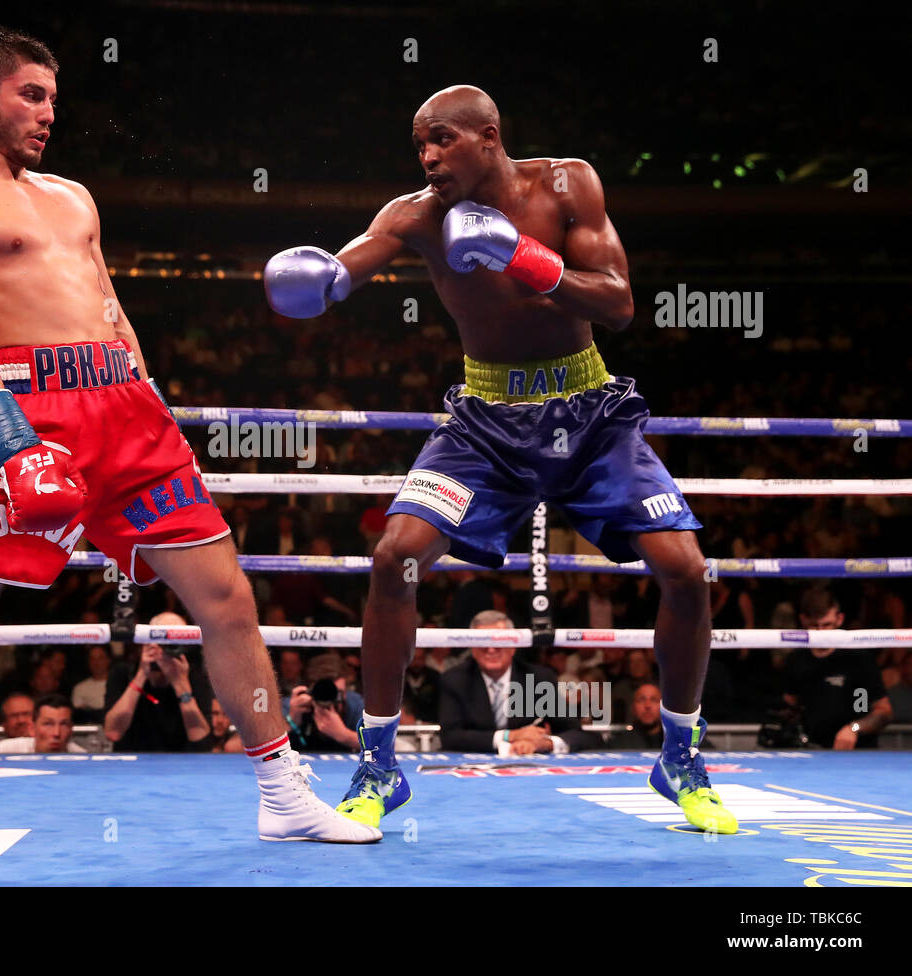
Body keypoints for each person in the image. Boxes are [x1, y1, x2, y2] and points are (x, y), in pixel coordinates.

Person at [0, 28, 374, 869]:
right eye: (31, 95)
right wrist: (12, 444)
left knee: (227, 601)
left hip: (126, 410)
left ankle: (284, 796)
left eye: (53, 95)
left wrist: (153, 407)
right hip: (28, 409)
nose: (50, 112)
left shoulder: (74, 196)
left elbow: (113, 310)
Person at [265, 85, 735, 834]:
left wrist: (523, 258)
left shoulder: (567, 183)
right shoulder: (414, 214)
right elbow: (355, 260)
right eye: (419, 143)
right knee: (396, 558)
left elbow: (616, 304)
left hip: (589, 416)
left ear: (489, 137)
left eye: (442, 140)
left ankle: (680, 754)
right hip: (485, 422)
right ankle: (380, 766)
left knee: (684, 568)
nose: (427, 156)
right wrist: (326, 281)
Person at [438, 612, 602, 754]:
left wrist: (546, 743)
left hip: (528, 772)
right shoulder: (455, 680)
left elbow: (577, 733)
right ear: (472, 647)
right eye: (483, 641)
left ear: (513, 646)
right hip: (469, 773)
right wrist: (510, 736)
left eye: (499, 641)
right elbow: (451, 737)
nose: (491, 649)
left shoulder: (539, 678)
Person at [783, 588, 892, 749]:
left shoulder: (858, 658)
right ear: (803, 620)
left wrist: (854, 729)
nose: (820, 632)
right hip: (813, 752)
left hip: (858, 752)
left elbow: (884, 712)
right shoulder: (796, 659)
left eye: (826, 625)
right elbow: (791, 705)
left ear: (839, 619)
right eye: (814, 626)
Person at [104, 612, 214, 752]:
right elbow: (113, 732)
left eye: (176, 642)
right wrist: (141, 674)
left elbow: (202, 742)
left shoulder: (193, 677)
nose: (168, 647)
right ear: (149, 641)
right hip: (132, 764)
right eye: (164, 640)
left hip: (182, 765)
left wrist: (181, 686)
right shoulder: (123, 674)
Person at [0, 694, 87, 753]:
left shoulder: (83, 757)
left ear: (71, 730)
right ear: (32, 728)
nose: (56, 733)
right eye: (48, 724)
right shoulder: (6, 750)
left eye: (64, 724)